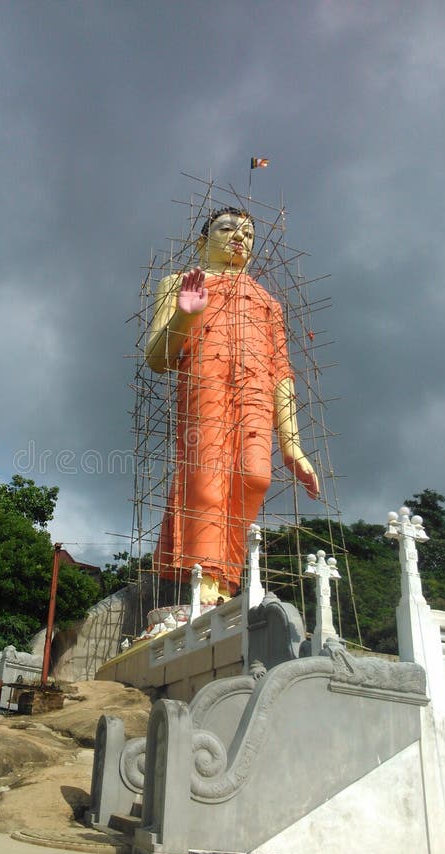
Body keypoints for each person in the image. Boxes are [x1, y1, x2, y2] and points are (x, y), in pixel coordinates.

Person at [145, 207, 319, 600]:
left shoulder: (268, 303)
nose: (240, 238)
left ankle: (227, 577)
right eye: (227, 228)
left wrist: (292, 444)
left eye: (249, 235)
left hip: (255, 395)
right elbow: (157, 359)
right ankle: (204, 584)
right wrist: (187, 317)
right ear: (202, 241)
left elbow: (282, 371)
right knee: (206, 483)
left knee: (255, 478)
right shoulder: (179, 284)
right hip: (206, 387)